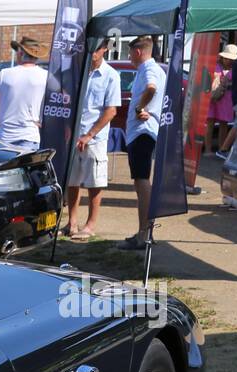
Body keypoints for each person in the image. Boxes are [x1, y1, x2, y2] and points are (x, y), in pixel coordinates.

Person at [64, 40, 122, 239]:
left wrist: (90, 135)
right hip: (75, 136)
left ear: (105, 48)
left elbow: (111, 110)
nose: (93, 53)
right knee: (73, 181)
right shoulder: (80, 73)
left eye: (97, 49)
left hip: (95, 138)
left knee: (95, 182)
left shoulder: (110, 76)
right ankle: (71, 221)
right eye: (91, 49)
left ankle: (90, 224)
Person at [116, 36, 166, 251]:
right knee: (140, 181)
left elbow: (151, 88)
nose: (128, 57)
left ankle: (144, 234)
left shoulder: (148, 69)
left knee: (142, 181)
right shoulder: (150, 68)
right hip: (142, 132)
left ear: (138, 52)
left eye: (129, 53)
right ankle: (143, 232)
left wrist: (139, 108)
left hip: (143, 132)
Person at [0, 36, 48, 150]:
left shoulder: (4, 74)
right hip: (30, 136)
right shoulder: (46, 76)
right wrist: (45, 122)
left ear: (20, 53)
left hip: (3, 137)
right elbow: (64, 98)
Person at [207, 44, 237, 155]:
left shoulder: (235, 69)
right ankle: (208, 150)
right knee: (210, 122)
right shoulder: (216, 67)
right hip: (215, 97)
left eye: (230, 59)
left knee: (224, 123)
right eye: (226, 58)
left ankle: (221, 149)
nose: (228, 61)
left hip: (227, 98)